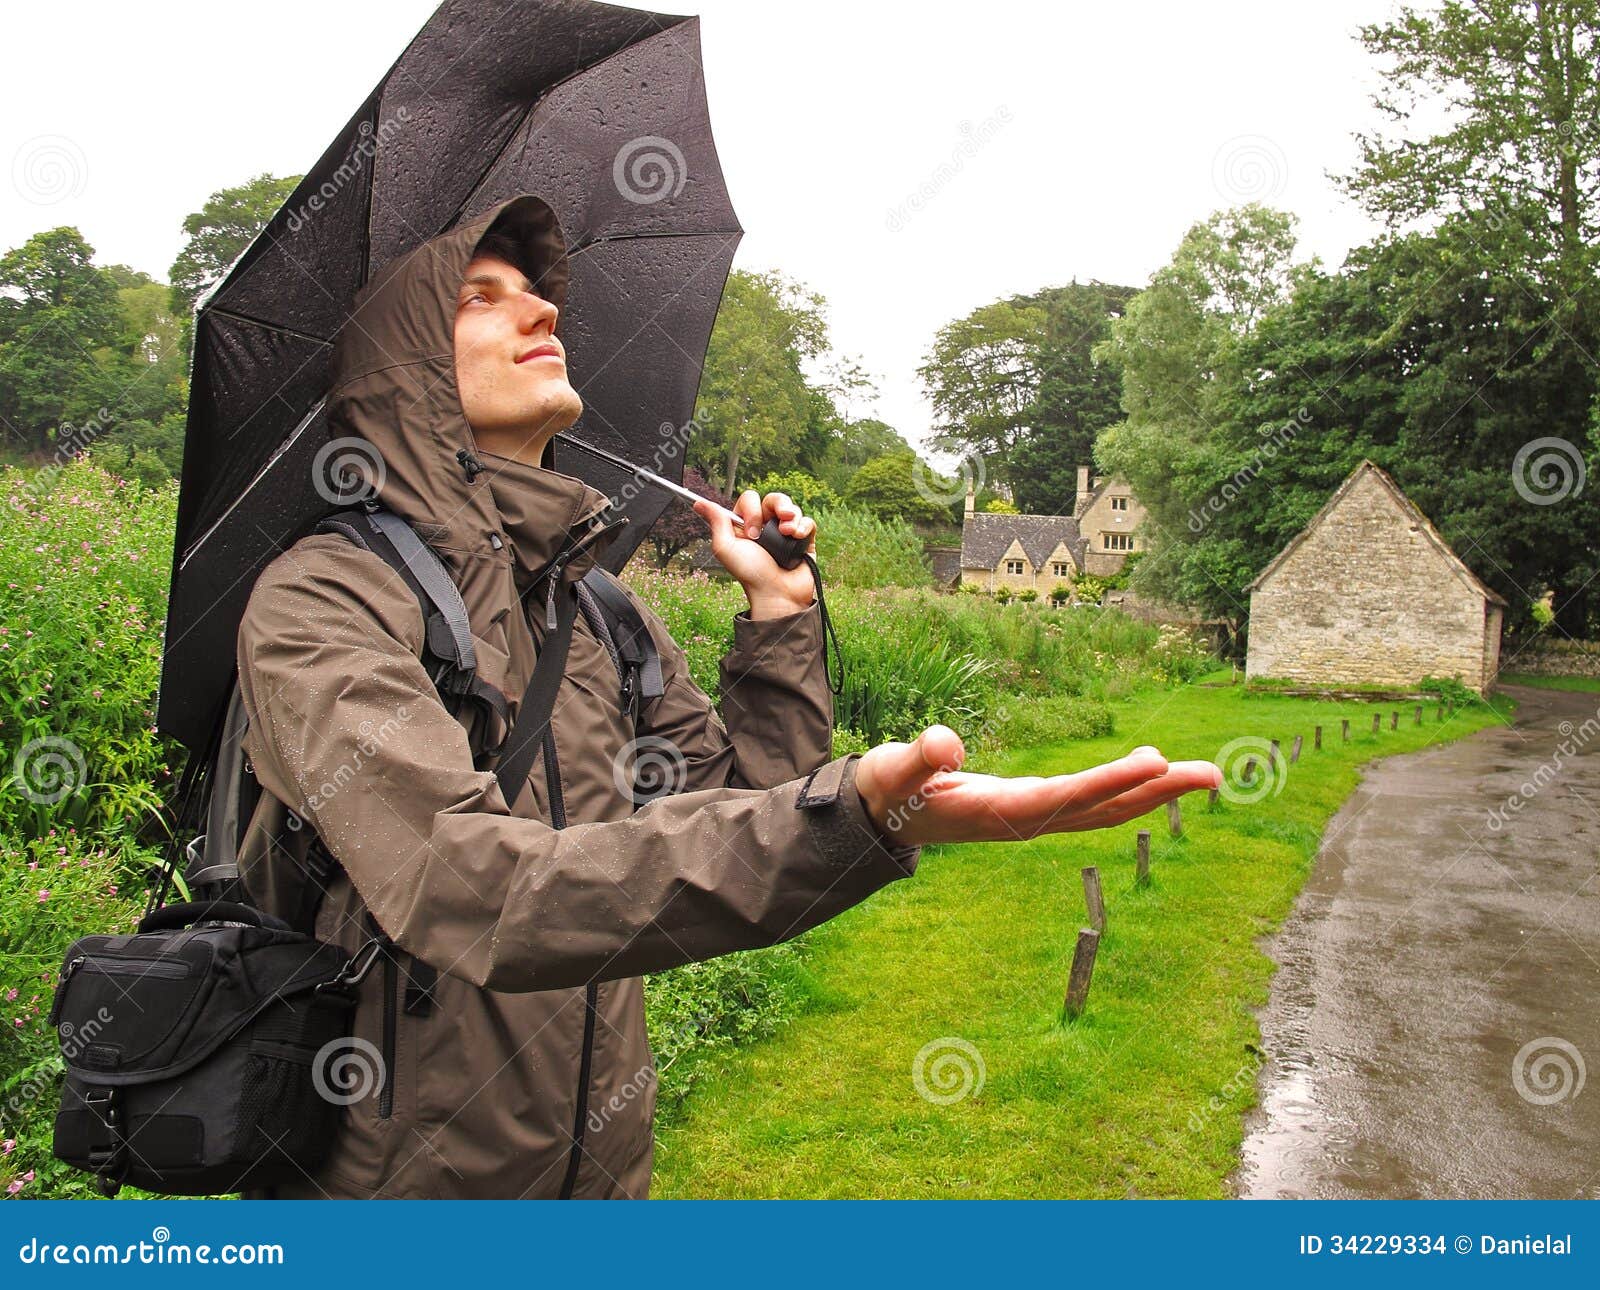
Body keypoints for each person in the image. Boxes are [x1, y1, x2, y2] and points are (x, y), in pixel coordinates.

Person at [233, 193, 1219, 1200]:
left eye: (535, 290)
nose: (542, 310)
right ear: (401, 373)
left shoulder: (599, 613)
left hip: (606, 1173)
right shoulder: (326, 600)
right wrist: (850, 809)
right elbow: (472, 888)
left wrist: (782, 614)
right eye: (480, 298)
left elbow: (750, 808)